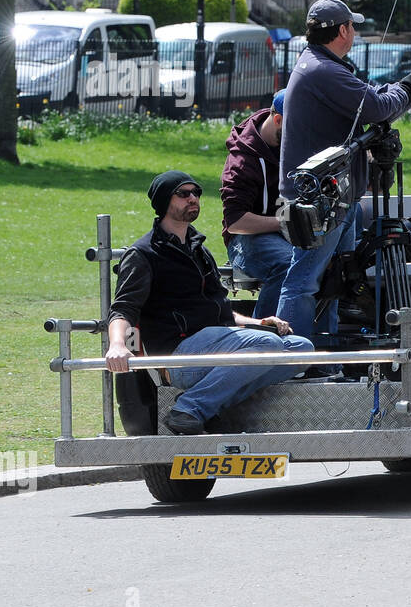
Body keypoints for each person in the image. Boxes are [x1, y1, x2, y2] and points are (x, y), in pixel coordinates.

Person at [275, 0, 411, 342]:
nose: (355, 32)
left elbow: (373, 98)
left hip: (335, 196)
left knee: (334, 279)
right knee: (304, 282)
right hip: (322, 201)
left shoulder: (319, 64)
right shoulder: (324, 71)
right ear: (342, 31)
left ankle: (322, 356)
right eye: (353, 26)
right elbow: (379, 107)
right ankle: (286, 355)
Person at [103, 171, 314, 435]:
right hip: (180, 355)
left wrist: (259, 322)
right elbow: (123, 307)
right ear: (163, 202)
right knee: (268, 344)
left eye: (197, 193)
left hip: (215, 342)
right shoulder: (144, 253)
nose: (193, 199)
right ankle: (189, 408)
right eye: (183, 194)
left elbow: (221, 310)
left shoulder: (199, 249)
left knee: (301, 349)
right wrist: (117, 345)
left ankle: (213, 405)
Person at [221, 89, 291, 319]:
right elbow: (235, 222)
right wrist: (285, 222)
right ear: (278, 119)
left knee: (337, 261)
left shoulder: (297, 144)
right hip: (248, 238)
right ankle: (263, 338)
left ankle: (320, 337)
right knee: (288, 263)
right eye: (296, 127)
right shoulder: (242, 161)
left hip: (295, 231)